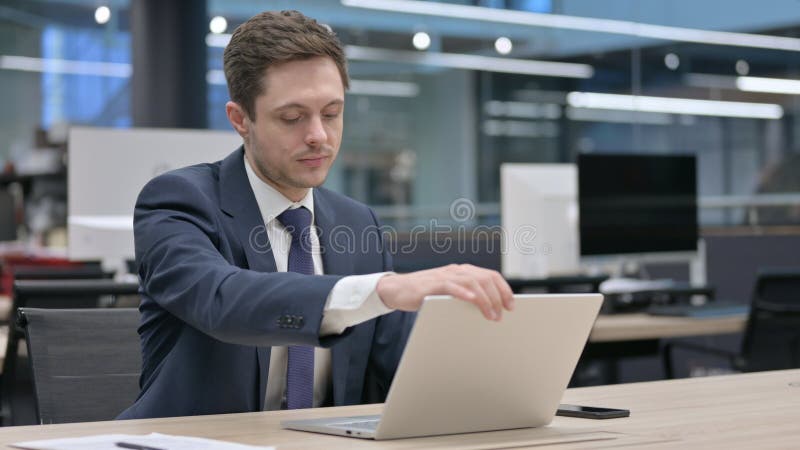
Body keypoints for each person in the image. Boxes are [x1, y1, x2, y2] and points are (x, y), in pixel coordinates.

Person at [118, 10, 514, 419]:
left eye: (331, 113)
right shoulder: (178, 201)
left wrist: (493, 371)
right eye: (292, 117)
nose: (318, 136)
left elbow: (402, 371)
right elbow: (222, 300)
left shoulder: (357, 223)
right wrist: (380, 290)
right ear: (240, 119)